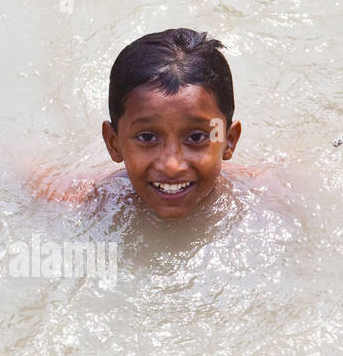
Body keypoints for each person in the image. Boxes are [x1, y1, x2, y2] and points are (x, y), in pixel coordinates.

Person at [30, 28, 244, 220]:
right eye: (147, 137)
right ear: (114, 144)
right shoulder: (75, 203)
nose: (171, 166)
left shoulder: (264, 197)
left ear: (228, 141)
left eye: (196, 137)